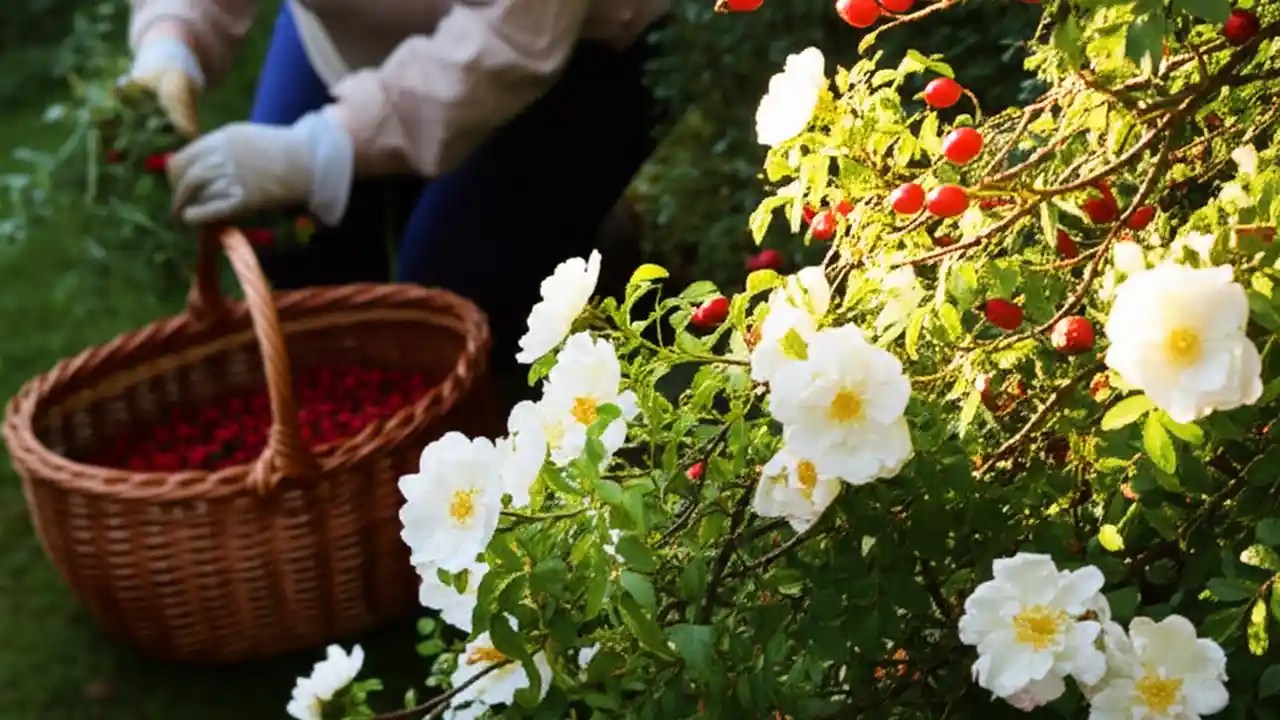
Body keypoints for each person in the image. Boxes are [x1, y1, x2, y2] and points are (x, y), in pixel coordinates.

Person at [126, 0, 670, 399]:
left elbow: (512, 37)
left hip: (572, 38)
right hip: (365, 23)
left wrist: (319, 148)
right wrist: (171, 38)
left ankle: (574, 261)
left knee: (456, 293)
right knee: (294, 246)